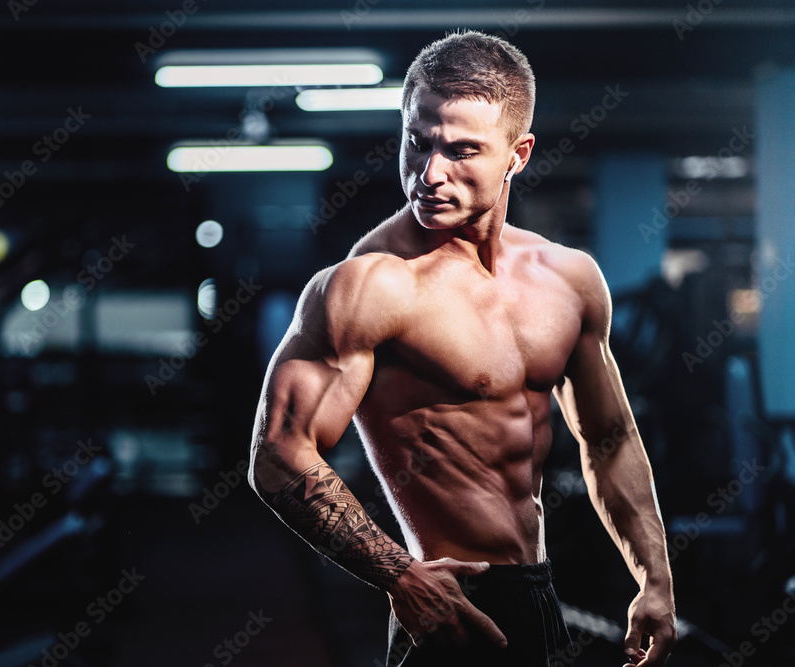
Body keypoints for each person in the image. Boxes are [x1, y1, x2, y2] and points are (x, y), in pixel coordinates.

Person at [248, 30, 677, 667]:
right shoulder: (372, 284)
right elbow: (278, 453)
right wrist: (400, 574)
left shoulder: (569, 280)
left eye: (461, 150)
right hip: (451, 606)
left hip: (540, 594)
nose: (430, 172)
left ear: (518, 154)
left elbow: (609, 437)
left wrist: (656, 579)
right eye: (417, 142)